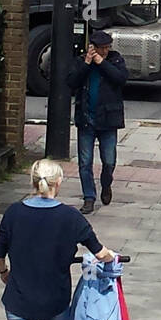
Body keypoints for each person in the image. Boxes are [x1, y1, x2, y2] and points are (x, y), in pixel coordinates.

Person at [0, 159, 115, 320]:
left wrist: (4, 273)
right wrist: (110, 257)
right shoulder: (71, 217)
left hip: (18, 298)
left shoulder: (13, 213)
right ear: (58, 182)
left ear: (33, 182)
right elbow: (99, 252)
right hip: (55, 300)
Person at [66, 30, 127, 214]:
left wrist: (102, 63)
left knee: (109, 161)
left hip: (108, 119)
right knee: (85, 162)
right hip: (87, 119)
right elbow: (71, 82)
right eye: (102, 48)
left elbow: (120, 78)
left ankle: (106, 183)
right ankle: (89, 198)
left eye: (108, 47)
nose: (105, 51)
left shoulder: (115, 60)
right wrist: (87, 64)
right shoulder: (81, 61)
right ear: (92, 47)